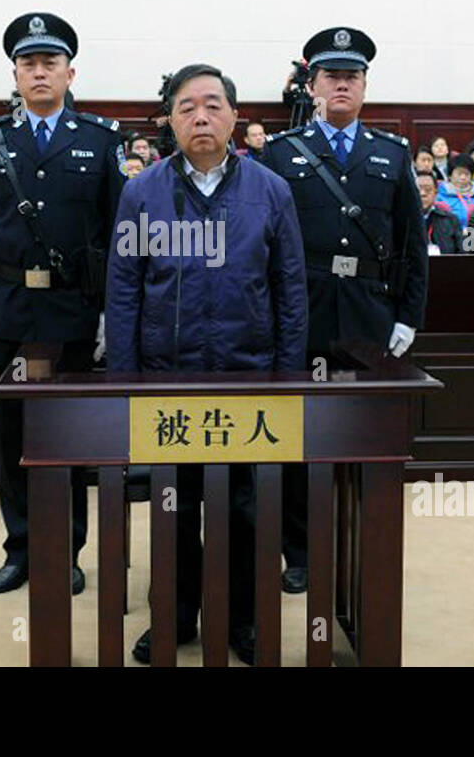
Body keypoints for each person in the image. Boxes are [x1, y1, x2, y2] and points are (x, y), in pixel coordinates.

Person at [109, 62, 308, 666]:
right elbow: (123, 289)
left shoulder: (270, 190)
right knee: (173, 504)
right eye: (188, 105)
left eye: (214, 105)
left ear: (235, 117)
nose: (201, 115)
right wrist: (125, 381)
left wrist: (286, 376)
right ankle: (174, 618)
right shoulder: (142, 192)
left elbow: (290, 288)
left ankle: (243, 619)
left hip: (248, 380)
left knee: (246, 509)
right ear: (170, 119)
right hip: (168, 380)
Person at [0, 12, 125, 597]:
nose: (39, 72)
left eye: (49, 62)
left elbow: (116, 235)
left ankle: (67, 550)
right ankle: (21, 550)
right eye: (29, 63)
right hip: (6, 306)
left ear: (69, 71)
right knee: (13, 438)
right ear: (15, 73)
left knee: (68, 437)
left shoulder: (100, 140)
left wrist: (109, 312)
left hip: (73, 311)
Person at [262, 27, 427, 596]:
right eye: (331, 75)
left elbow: (411, 241)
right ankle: (301, 552)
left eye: (351, 76)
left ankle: (359, 541)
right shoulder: (281, 154)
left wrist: (408, 316)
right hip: (301, 314)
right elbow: (261, 243)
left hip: (367, 317)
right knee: (297, 438)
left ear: (364, 86)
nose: (341, 84)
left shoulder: (392, 152)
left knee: (362, 436)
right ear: (312, 86)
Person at [434, 153, 474, 228]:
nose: (463, 177)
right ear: (450, 175)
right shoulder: (440, 197)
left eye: (466, 174)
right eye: (459, 174)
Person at [418, 170, 462, 254]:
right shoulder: (403, 220)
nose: (422, 194)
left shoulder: (451, 220)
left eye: (427, 189)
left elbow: (463, 253)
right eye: (418, 189)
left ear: (435, 193)